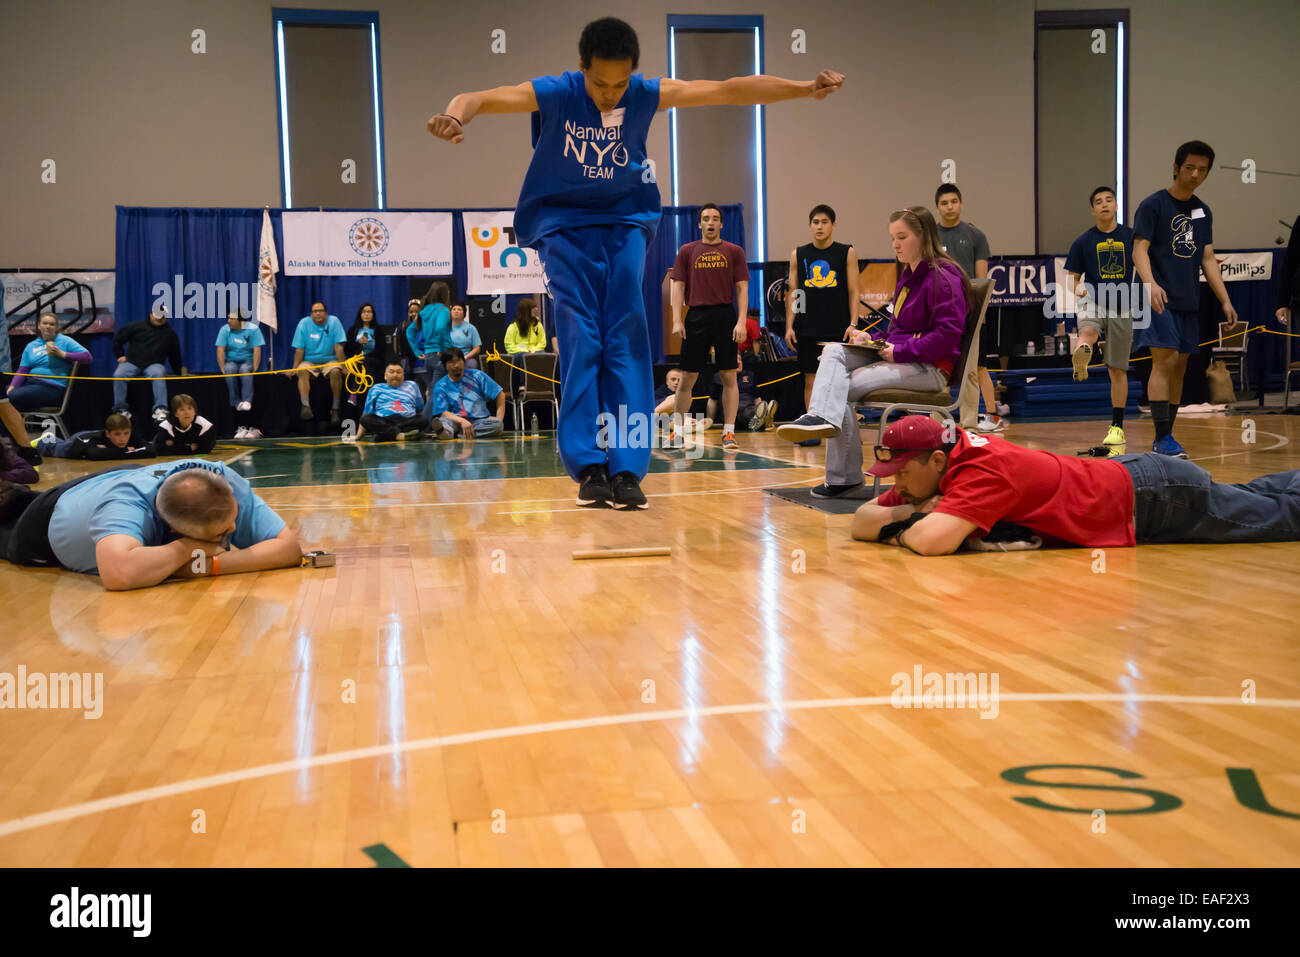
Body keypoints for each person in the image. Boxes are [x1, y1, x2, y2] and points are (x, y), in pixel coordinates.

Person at [430, 15, 842, 508]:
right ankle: (588, 467)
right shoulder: (559, 92)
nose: (609, 94)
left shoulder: (644, 93)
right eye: (600, 83)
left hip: (626, 223)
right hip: (563, 228)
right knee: (583, 339)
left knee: (625, 337)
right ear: (582, 69)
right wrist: (456, 115)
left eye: (619, 83)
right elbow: (484, 96)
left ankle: (627, 469)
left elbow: (728, 89)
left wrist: (804, 88)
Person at [849, 414, 1300, 554]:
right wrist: (907, 512)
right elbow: (860, 522)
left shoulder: (981, 470)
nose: (898, 485)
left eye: (903, 474)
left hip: (1153, 498)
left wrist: (909, 520)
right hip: (1143, 482)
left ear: (937, 460)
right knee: (1255, 496)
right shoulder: (934, 472)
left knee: (1274, 517)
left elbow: (931, 544)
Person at [776, 206, 970, 497]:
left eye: (902, 237)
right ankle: (819, 418)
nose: (895, 245)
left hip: (929, 369)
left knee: (837, 386)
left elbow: (946, 336)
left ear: (923, 236)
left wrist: (900, 350)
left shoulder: (945, 276)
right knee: (833, 352)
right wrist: (871, 337)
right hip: (903, 355)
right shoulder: (909, 274)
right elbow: (898, 330)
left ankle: (845, 478)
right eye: (893, 238)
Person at [0, 458, 301, 590]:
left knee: (16, 497)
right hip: (45, 524)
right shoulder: (127, 505)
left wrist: (210, 565)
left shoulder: (222, 484)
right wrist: (187, 549)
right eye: (222, 534)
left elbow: (289, 549)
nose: (234, 531)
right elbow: (118, 575)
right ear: (175, 530)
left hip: (118, 479)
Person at [1132, 140, 1238, 458]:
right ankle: (1162, 438)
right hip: (1158, 297)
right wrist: (1149, 284)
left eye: (1202, 170)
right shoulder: (1153, 205)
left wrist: (1225, 301)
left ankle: (1169, 436)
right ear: (1176, 167)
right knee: (1163, 362)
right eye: (1189, 168)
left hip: (1188, 300)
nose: (1195, 174)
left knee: (1180, 366)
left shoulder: (1202, 212)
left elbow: (1207, 258)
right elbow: (1139, 249)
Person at [668, 203, 750, 452]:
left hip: (725, 316)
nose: (711, 222)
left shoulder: (734, 251)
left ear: (722, 224)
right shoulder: (687, 251)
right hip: (696, 317)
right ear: (699, 224)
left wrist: (741, 321)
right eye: (706, 218)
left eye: (715, 218)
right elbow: (678, 286)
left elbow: (742, 287)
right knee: (687, 377)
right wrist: (677, 319)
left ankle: (728, 433)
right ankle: (679, 431)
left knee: (728, 376)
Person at [1065, 187, 1135, 451]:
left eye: (1109, 200)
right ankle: (1083, 351)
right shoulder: (1083, 242)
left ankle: (1116, 428)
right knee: (1088, 332)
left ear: (1116, 206)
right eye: (1098, 202)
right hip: (1093, 297)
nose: (1104, 204)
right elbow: (1072, 278)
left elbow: (1144, 263)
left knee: (1117, 369)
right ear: (1092, 210)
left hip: (1123, 304)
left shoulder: (1131, 237)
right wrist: (1079, 290)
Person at [783, 204, 860, 444]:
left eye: (824, 222)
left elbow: (854, 290)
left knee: (841, 379)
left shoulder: (846, 252)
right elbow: (795, 293)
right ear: (810, 225)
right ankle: (812, 431)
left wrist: (853, 323)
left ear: (833, 225)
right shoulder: (799, 254)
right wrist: (789, 326)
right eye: (815, 222)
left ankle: (840, 428)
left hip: (838, 326)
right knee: (810, 378)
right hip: (808, 325)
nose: (820, 226)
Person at [936, 184, 998, 432]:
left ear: (960, 204)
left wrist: (976, 313)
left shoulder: (976, 236)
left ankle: (970, 425)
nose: (950, 206)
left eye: (954, 201)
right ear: (937, 207)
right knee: (939, 372)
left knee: (971, 372)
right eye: (944, 203)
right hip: (939, 317)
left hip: (969, 315)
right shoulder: (930, 237)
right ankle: (938, 425)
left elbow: (981, 282)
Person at [112, 309, 187, 422]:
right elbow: (118, 339)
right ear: (151, 315)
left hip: (154, 364)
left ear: (166, 318)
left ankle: (160, 409)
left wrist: (179, 373)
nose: (159, 318)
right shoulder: (136, 326)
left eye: (162, 317)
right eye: (157, 316)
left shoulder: (170, 334)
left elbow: (175, 355)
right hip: (132, 362)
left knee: (158, 373)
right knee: (119, 374)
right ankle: (120, 410)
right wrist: (119, 355)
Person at [6, 313, 92, 411]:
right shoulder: (31, 346)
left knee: (13, 396)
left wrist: (63, 354)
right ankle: (20, 423)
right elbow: (22, 370)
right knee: (4, 394)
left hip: (52, 387)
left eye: (52, 324)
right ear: (39, 325)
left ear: (56, 327)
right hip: (30, 383)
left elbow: (87, 357)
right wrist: (12, 387)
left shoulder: (64, 340)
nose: (48, 326)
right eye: (45, 323)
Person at [284, 301, 347, 424]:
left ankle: (335, 408)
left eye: (321, 311)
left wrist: (343, 366)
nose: (318, 313)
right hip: (309, 361)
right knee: (301, 370)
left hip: (330, 360)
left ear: (326, 313)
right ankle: (305, 406)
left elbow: (338, 347)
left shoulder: (334, 322)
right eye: (315, 311)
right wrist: (293, 368)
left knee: (335, 372)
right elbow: (299, 349)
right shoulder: (303, 323)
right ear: (311, 314)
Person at [425, 347, 505, 439]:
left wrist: (499, 418)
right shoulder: (440, 385)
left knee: (497, 425)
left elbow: (500, 394)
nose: (456, 365)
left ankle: (456, 434)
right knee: (444, 421)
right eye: (451, 362)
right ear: (445, 365)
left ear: (463, 361)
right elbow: (442, 412)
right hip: (455, 421)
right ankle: (448, 432)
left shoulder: (477, 376)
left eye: (459, 361)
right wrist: (462, 421)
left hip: (478, 422)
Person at [352, 362, 429, 442]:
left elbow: (419, 409)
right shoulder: (376, 388)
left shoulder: (412, 385)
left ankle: (388, 434)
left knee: (423, 419)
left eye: (399, 372)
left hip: (406, 419)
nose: (395, 375)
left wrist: (422, 430)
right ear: (385, 376)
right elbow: (367, 412)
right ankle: (400, 434)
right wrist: (358, 436)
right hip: (384, 420)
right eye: (391, 372)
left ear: (403, 376)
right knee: (365, 419)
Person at [37, 412, 151, 460]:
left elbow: (151, 450)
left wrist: (111, 451)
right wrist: (127, 450)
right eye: (117, 434)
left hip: (90, 435)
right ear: (108, 434)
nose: (122, 438)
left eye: (126, 434)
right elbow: (96, 454)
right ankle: (45, 439)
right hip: (78, 443)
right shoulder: (96, 440)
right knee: (56, 448)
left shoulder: (132, 435)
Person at [214, 311, 264, 418]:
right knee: (229, 370)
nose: (228, 321)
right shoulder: (225, 329)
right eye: (228, 318)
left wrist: (255, 368)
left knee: (245, 370)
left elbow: (257, 350)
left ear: (240, 321)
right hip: (231, 361)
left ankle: (247, 401)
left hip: (247, 360)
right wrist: (223, 368)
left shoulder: (253, 329)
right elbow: (220, 350)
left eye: (231, 319)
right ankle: (236, 402)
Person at [415, 281, 453, 388]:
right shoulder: (443, 310)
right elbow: (440, 328)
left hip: (428, 355)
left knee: (437, 391)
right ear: (445, 294)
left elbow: (410, 331)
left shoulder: (425, 310)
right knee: (436, 393)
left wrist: (417, 351)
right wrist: (441, 349)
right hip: (440, 355)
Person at [345, 302, 385, 404]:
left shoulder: (378, 330)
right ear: (360, 314)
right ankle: (359, 394)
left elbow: (381, 350)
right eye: (364, 312)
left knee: (366, 362)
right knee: (359, 363)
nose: (366, 314)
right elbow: (347, 350)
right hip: (356, 360)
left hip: (374, 360)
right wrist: (358, 343)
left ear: (373, 314)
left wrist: (367, 354)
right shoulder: (353, 330)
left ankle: (357, 393)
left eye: (369, 312)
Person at [152, 393, 216, 456]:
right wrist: (189, 448)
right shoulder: (165, 426)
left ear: (195, 411)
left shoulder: (205, 426)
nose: (187, 413)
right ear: (175, 414)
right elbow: (159, 450)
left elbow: (206, 449)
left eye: (190, 408)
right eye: (182, 409)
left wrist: (175, 446)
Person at [448, 302, 483, 368]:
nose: (456, 311)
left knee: (472, 363)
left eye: (459, 309)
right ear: (450, 312)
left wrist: (465, 357)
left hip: (466, 358)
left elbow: (477, 348)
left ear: (464, 313)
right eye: (454, 309)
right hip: (449, 358)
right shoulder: (445, 328)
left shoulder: (471, 328)